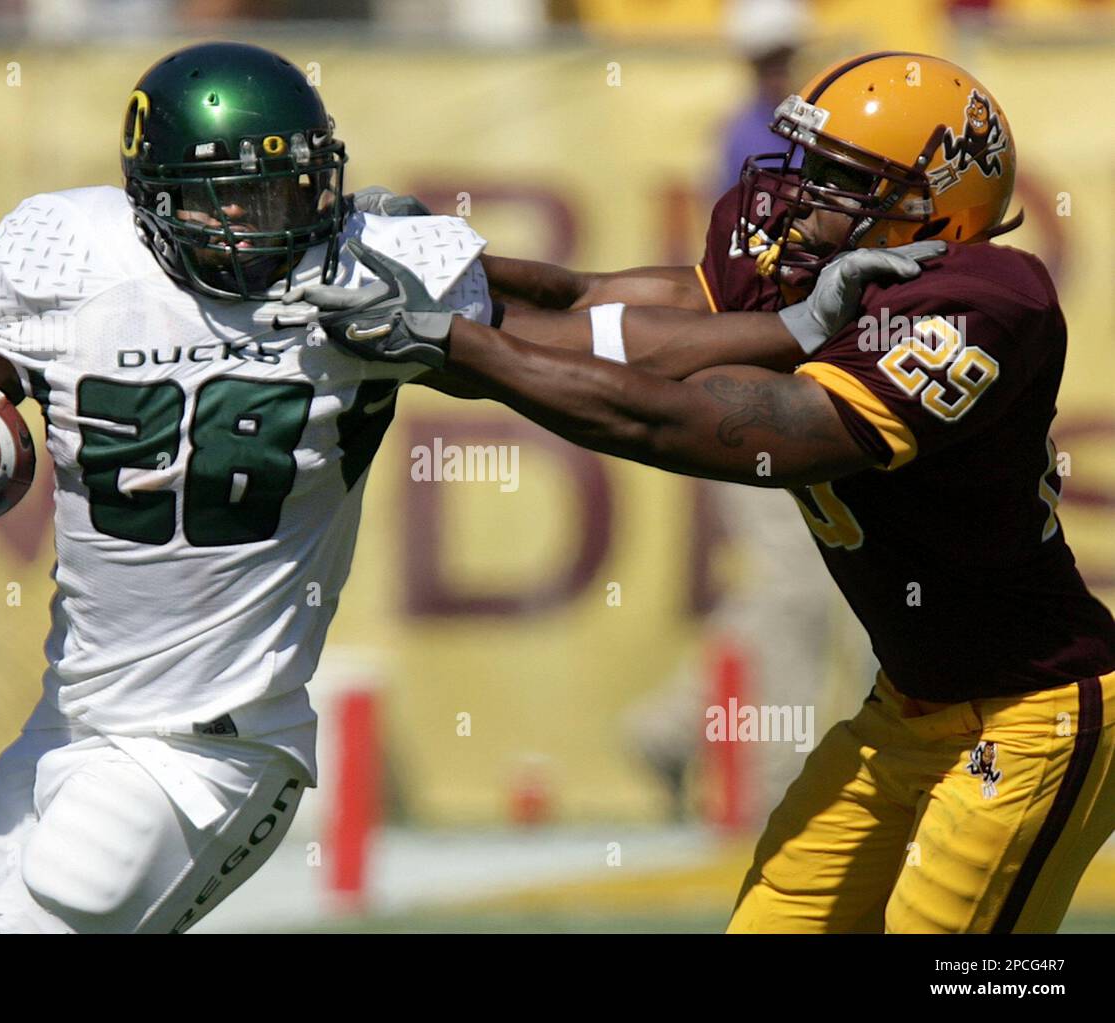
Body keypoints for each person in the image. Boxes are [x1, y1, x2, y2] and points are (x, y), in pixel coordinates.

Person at [290, 52, 1115, 933]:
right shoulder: (818, 272)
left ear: (937, 204)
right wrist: (463, 279)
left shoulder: (987, 301)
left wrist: (455, 345)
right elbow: (608, 312)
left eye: (844, 181)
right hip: (906, 709)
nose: (800, 196)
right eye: (808, 166)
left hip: (1033, 717)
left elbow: (689, 421)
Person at [0, 40, 497, 934]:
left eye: (290, 185)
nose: (270, 219)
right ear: (156, 196)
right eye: (235, 193)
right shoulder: (73, 262)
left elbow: (556, 342)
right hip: (76, 713)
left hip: (209, 748)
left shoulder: (364, 280)